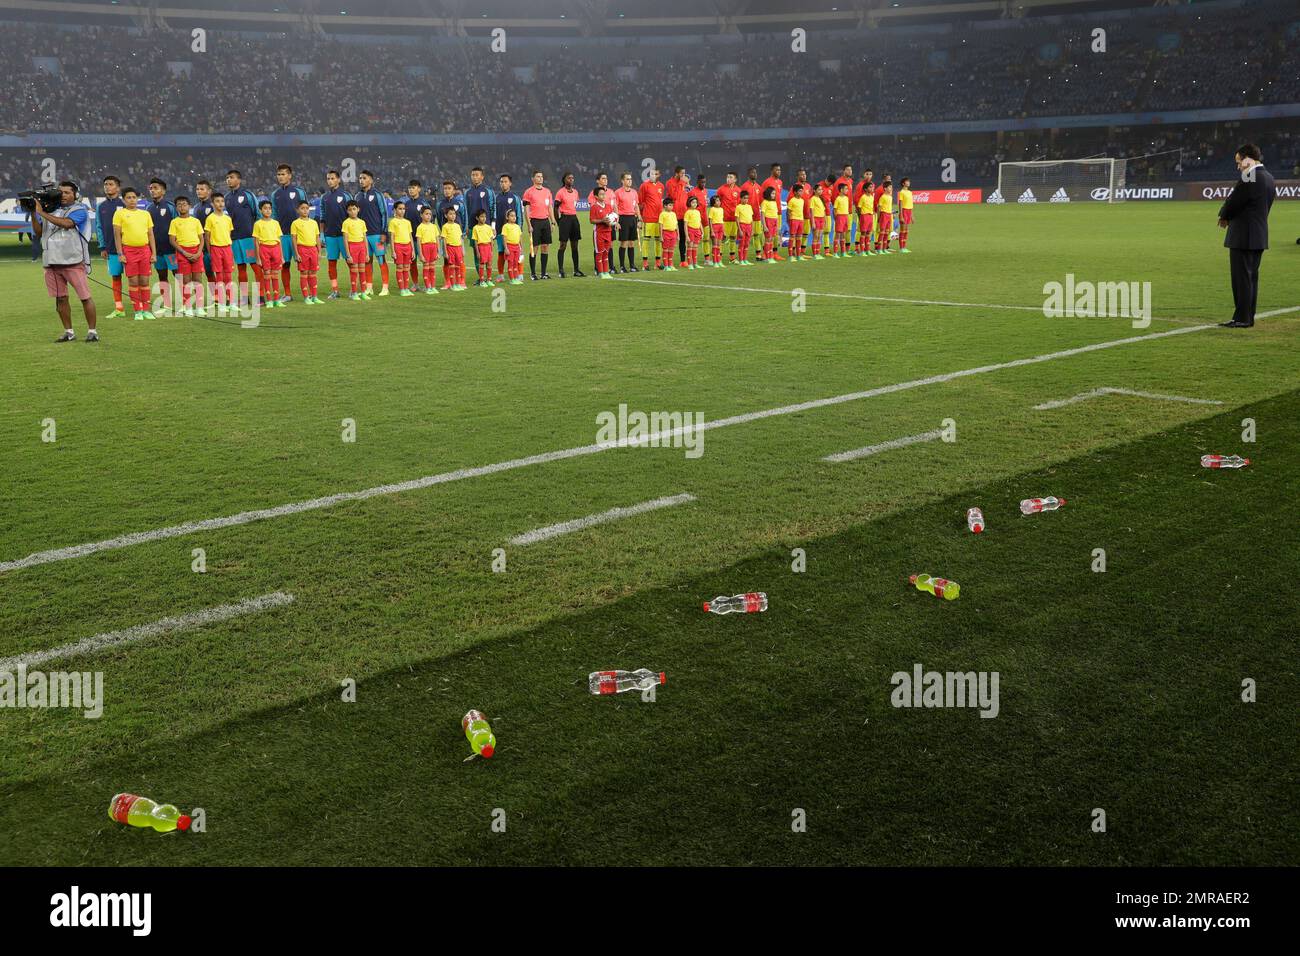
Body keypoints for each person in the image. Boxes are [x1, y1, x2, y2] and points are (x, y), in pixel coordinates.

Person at [1218, 143, 1275, 328]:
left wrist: (1224, 215)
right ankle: (1247, 317)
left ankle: (1242, 318)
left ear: (1248, 158)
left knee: (1241, 278)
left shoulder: (1250, 176)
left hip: (1243, 236)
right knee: (1251, 278)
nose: (1238, 166)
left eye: (1239, 161)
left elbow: (1235, 199)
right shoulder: (1268, 177)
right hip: (1258, 235)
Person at [33, 179, 98, 342]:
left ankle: (92, 331)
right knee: (60, 298)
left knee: (84, 297)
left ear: (76, 195)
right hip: (51, 261)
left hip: (73, 261)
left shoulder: (79, 210)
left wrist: (42, 213)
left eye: (67, 192)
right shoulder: (50, 209)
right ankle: (69, 332)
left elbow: (67, 224)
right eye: (61, 192)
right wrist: (33, 214)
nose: (63, 195)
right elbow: (39, 232)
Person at [112, 187, 157, 320]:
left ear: (138, 199)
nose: (132, 200)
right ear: (124, 199)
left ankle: (146, 310)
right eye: (128, 198)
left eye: (134, 197)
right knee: (133, 281)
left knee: (144, 280)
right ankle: (138, 310)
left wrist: (153, 253)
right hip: (129, 251)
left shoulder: (145, 214)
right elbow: (117, 235)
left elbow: (150, 235)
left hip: (144, 250)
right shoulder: (119, 214)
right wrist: (120, 253)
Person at [224, 169, 261, 307]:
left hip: (248, 237)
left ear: (239, 180)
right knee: (241, 268)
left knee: (255, 266)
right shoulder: (226, 197)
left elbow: (256, 214)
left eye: (231, 177)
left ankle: (261, 296)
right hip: (234, 238)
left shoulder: (248, 195)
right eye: (227, 177)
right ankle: (245, 298)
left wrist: (256, 234)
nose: (228, 180)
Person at [94, 174, 126, 317]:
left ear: (118, 188)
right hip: (111, 249)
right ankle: (119, 308)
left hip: (128, 248)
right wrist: (102, 246)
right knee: (115, 277)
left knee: (133, 278)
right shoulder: (101, 207)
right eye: (106, 184)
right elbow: (99, 227)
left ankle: (138, 306)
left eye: (111, 184)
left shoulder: (125, 204)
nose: (107, 187)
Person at [167, 195, 205, 315]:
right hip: (182, 252)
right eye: (179, 204)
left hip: (196, 252)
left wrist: (199, 252)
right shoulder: (174, 222)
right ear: (176, 208)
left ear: (189, 206)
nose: (182, 206)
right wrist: (183, 252)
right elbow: (172, 240)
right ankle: (187, 306)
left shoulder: (196, 221)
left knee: (198, 280)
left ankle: (199, 307)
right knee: (186, 280)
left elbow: (202, 238)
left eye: (184, 204)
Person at [145, 178, 178, 314]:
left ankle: (187, 302)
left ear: (163, 190)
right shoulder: (148, 209)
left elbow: (179, 225)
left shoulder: (171, 206)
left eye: (156, 188)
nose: (153, 190)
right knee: (162, 276)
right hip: (157, 251)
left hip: (172, 250)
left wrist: (178, 247)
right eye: (151, 188)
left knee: (179, 275)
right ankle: (167, 303)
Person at [355, 170, 389, 295]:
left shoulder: (378, 195)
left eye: (364, 178)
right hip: (363, 235)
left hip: (376, 233)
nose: (361, 180)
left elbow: (384, 214)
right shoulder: (357, 196)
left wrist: (384, 232)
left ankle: (385, 288)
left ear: (371, 180)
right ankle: (369, 288)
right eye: (360, 178)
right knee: (367, 260)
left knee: (381, 259)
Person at [319, 170, 352, 299]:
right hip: (330, 235)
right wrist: (322, 234)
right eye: (328, 179)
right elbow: (322, 216)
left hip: (344, 236)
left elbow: (352, 215)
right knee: (331, 263)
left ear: (338, 180)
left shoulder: (346, 196)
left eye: (332, 178)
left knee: (350, 262)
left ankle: (353, 289)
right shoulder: (324, 197)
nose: (330, 181)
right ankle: (335, 290)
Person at [203, 192, 235, 313]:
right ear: (212, 203)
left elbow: (229, 233)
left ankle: (231, 302)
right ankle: (221, 302)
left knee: (228, 275)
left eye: (222, 201)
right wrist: (210, 252)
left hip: (227, 248)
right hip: (215, 248)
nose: (220, 203)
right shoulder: (210, 218)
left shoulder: (228, 218)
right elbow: (207, 236)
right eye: (217, 201)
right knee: (220, 276)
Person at [464, 167, 495, 281]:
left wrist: (493, 226)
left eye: (477, 175)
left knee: (488, 252)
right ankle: (481, 277)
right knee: (476, 252)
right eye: (473, 175)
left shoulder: (489, 191)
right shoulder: (467, 192)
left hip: (486, 228)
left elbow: (493, 209)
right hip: (473, 227)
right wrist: (467, 226)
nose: (474, 177)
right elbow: (466, 210)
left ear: (482, 177)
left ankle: (489, 277)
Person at [522, 169, 553, 280]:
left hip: (545, 221)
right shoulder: (528, 192)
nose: (540, 178)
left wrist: (552, 221)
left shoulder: (547, 191)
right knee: (534, 248)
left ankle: (544, 273)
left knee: (545, 247)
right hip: (534, 221)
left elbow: (550, 207)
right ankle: (533, 273)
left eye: (541, 176)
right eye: (538, 176)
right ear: (533, 179)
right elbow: (526, 209)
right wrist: (529, 224)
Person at [253, 200, 285, 307]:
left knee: (275, 274)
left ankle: (276, 299)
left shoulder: (276, 223)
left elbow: (279, 240)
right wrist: (258, 258)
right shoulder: (257, 224)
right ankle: (269, 300)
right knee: (266, 274)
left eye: (269, 208)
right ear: (260, 210)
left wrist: (282, 256)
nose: (268, 210)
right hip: (264, 249)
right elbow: (256, 242)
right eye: (265, 208)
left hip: (275, 249)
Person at [290, 199, 323, 303]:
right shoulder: (295, 223)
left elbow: (317, 238)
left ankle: (314, 296)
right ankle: (306, 297)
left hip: (313, 249)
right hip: (302, 249)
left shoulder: (314, 223)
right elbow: (294, 239)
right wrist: (296, 253)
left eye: (307, 208)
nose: (305, 210)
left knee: (313, 273)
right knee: (304, 273)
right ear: (297, 210)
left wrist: (319, 252)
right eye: (302, 208)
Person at [553, 171, 583, 278]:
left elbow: (574, 205)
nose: (571, 180)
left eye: (572, 178)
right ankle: (561, 270)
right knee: (563, 245)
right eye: (569, 178)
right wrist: (558, 221)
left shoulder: (575, 192)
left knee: (575, 246)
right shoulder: (560, 192)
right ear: (564, 180)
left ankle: (576, 270)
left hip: (574, 219)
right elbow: (555, 207)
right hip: (565, 219)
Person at [494, 174, 522, 282]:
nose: (503, 184)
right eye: (501, 182)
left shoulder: (515, 198)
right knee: (501, 252)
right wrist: (494, 229)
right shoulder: (497, 198)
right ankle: (501, 274)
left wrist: (519, 229)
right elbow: (494, 214)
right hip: (501, 231)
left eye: (505, 181)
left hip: (514, 231)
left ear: (510, 183)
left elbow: (518, 214)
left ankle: (518, 274)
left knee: (516, 253)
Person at [341, 200, 371, 300]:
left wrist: (367, 253)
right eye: (350, 210)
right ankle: (354, 293)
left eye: (354, 209)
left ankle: (363, 292)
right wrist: (348, 255)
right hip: (352, 247)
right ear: (347, 211)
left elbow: (365, 238)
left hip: (361, 247)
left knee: (362, 271)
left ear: (358, 209)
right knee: (354, 271)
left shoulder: (362, 222)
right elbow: (345, 239)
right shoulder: (346, 223)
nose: (352, 211)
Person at [637, 167, 665, 270]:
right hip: (648, 217)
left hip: (659, 218)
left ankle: (657, 263)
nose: (653, 176)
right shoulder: (644, 186)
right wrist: (640, 219)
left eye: (656, 174)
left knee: (658, 240)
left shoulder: (661, 186)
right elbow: (640, 202)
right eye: (652, 174)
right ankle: (645, 264)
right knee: (646, 240)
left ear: (659, 175)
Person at [613, 171, 640, 273]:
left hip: (632, 218)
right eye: (627, 179)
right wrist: (617, 221)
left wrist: (639, 219)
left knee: (631, 243)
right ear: (622, 181)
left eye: (630, 179)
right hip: (623, 218)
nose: (630, 181)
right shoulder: (618, 192)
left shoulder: (634, 192)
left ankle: (632, 266)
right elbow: (615, 208)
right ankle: (622, 266)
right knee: (624, 242)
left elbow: (636, 206)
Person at [388, 200, 415, 295]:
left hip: (408, 246)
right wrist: (393, 251)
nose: (402, 211)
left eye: (403, 209)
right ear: (395, 210)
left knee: (407, 268)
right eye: (400, 209)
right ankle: (402, 289)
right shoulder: (393, 222)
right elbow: (392, 237)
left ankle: (406, 288)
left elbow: (410, 236)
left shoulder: (407, 222)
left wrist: (413, 250)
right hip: (398, 246)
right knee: (400, 267)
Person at [714, 171, 741, 264]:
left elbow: (739, 205)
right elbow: (716, 203)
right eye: (727, 177)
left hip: (734, 219)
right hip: (724, 219)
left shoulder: (738, 190)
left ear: (735, 179)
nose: (728, 179)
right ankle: (719, 259)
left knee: (733, 238)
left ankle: (732, 258)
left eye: (730, 177)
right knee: (722, 239)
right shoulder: (721, 189)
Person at [589, 185, 615, 279]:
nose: (603, 196)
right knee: (599, 252)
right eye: (601, 194)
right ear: (596, 196)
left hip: (608, 232)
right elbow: (591, 220)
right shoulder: (594, 207)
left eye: (604, 194)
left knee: (606, 252)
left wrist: (616, 223)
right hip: (599, 233)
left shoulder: (608, 206)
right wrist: (602, 221)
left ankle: (606, 272)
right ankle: (600, 272)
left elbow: (612, 217)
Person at [440, 205, 467, 291]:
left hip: (458, 248)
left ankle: (458, 284)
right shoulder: (445, 226)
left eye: (454, 214)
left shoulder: (457, 226)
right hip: (450, 248)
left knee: (458, 266)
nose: (453, 216)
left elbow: (460, 238)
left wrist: (462, 249)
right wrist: (445, 252)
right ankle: (452, 285)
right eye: (450, 214)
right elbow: (444, 240)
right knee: (451, 266)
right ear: (446, 216)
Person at [416, 205, 441, 294]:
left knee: (432, 268)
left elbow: (437, 239)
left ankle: (433, 286)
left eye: (430, 214)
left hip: (433, 247)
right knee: (426, 267)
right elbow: (418, 242)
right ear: (421, 215)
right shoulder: (420, 227)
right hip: (425, 247)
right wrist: (420, 254)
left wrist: (439, 251)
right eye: (426, 214)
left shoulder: (434, 226)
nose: (429, 216)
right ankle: (428, 287)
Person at [471, 209, 497, 287]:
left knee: (489, 265)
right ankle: (482, 281)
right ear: (477, 218)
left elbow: (491, 239)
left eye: (485, 216)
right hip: (481, 247)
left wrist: (491, 250)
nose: (484, 218)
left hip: (488, 247)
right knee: (481, 264)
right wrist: (477, 252)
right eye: (482, 216)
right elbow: (475, 241)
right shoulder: (475, 228)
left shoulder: (488, 227)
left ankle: (489, 279)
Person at [500, 207, 524, 285]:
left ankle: (516, 278)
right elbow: (504, 238)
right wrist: (506, 248)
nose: (514, 217)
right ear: (507, 217)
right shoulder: (505, 226)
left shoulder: (517, 227)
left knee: (516, 263)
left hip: (517, 247)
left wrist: (521, 248)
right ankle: (512, 279)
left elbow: (520, 238)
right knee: (510, 263)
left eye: (515, 216)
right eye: (511, 216)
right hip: (510, 247)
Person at [759, 186, 780, 264]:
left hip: (774, 221)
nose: (774, 195)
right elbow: (762, 214)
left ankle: (769, 256)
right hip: (768, 221)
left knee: (771, 239)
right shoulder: (765, 202)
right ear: (768, 194)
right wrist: (764, 226)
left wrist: (777, 226)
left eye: (775, 194)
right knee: (768, 239)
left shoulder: (774, 202)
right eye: (772, 193)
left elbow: (776, 215)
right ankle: (768, 257)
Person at [683, 195, 703, 270]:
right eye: (693, 202)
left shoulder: (698, 212)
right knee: (690, 247)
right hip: (690, 231)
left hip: (697, 231)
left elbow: (699, 222)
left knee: (695, 248)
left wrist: (702, 231)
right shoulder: (688, 212)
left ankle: (695, 263)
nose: (694, 204)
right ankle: (690, 264)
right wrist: (687, 235)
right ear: (689, 203)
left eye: (695, 202)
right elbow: (685, 225)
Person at [735, 189, 755, 265]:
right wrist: (739, 229)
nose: (746, 200)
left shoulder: (749, 207)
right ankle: (741, 260)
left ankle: (745, 259)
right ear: (741, 198)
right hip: (742, 226)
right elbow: (736, 218)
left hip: (749, 227)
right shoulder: (738, 207)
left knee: (747, 243)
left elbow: (751, 218)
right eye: (744, 198)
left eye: (747, 198)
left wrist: (752, 229)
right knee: (742, 243)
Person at [658, 197, 679, 271]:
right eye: (670, 205)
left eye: (672, 205)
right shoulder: (662, 214)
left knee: (671, 250)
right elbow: (660, 225)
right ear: (665, 206)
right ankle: (666, 266)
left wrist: (678, 235)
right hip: (666, 233)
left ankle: (670, 265)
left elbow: (676, 225)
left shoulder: (673, 214)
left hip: (673, 233)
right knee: (665, 250)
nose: (671, 207)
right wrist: (661, 236)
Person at [786, 187, 806, 260]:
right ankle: (790, 256)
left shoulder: (802, 201)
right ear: (795, 192)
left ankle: (798, 255)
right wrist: (789, 221)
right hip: (794, 220)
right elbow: (788, 212)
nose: (801, 192)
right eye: (800, 191)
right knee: (792, 237)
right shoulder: (792, 200)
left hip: (801, 220)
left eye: (802, 191)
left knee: (799, 238)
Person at [833, 182, 851, 257]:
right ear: (841, 190)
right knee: (837, 235)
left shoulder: (847, 198)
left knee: (843, 235)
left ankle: (843, 252)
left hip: (845, 216)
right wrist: (836, 219)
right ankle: (835, 253)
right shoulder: (838, 199)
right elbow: (834, 210)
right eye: (846, 189)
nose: (847, 190)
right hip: (840, 217)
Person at [707, 195, 726, 267]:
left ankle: (719, 260)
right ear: (713, 203)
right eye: (717, 201)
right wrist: (711, 231)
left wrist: (723, 230)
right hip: (715, 227)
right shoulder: (712, 209)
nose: (719, 202)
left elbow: (722, 220)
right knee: (714, 245)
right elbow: (710, 220)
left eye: (719, 200)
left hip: (721, 227)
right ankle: (714, 261)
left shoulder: (721, 209)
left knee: (719, 245)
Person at [875, 183, 894, 254]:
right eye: (889, 187)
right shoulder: (883, 197)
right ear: (885, 188)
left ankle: (884, 248)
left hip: (889, 215)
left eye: (891, 187)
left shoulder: (890, 197)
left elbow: (890, 206)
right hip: (884, 215)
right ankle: (879, 249)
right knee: (882, 232)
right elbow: (879, 208)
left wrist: (891, 213)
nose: (891, 188)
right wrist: (879, 217)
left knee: (887, 232)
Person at [897, 177, 914, 253]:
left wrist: (912, 215)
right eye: (907, 181)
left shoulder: (910, 192)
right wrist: (901, 215)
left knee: (906, 231)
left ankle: (904, 247)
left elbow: (911, 204)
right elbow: (900, 204)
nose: (909, 182)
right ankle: (901, 248)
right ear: (903, 183)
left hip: (909, 211)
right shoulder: (901, 192)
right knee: (902, 230)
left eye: (909, 181)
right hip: (904, 211)